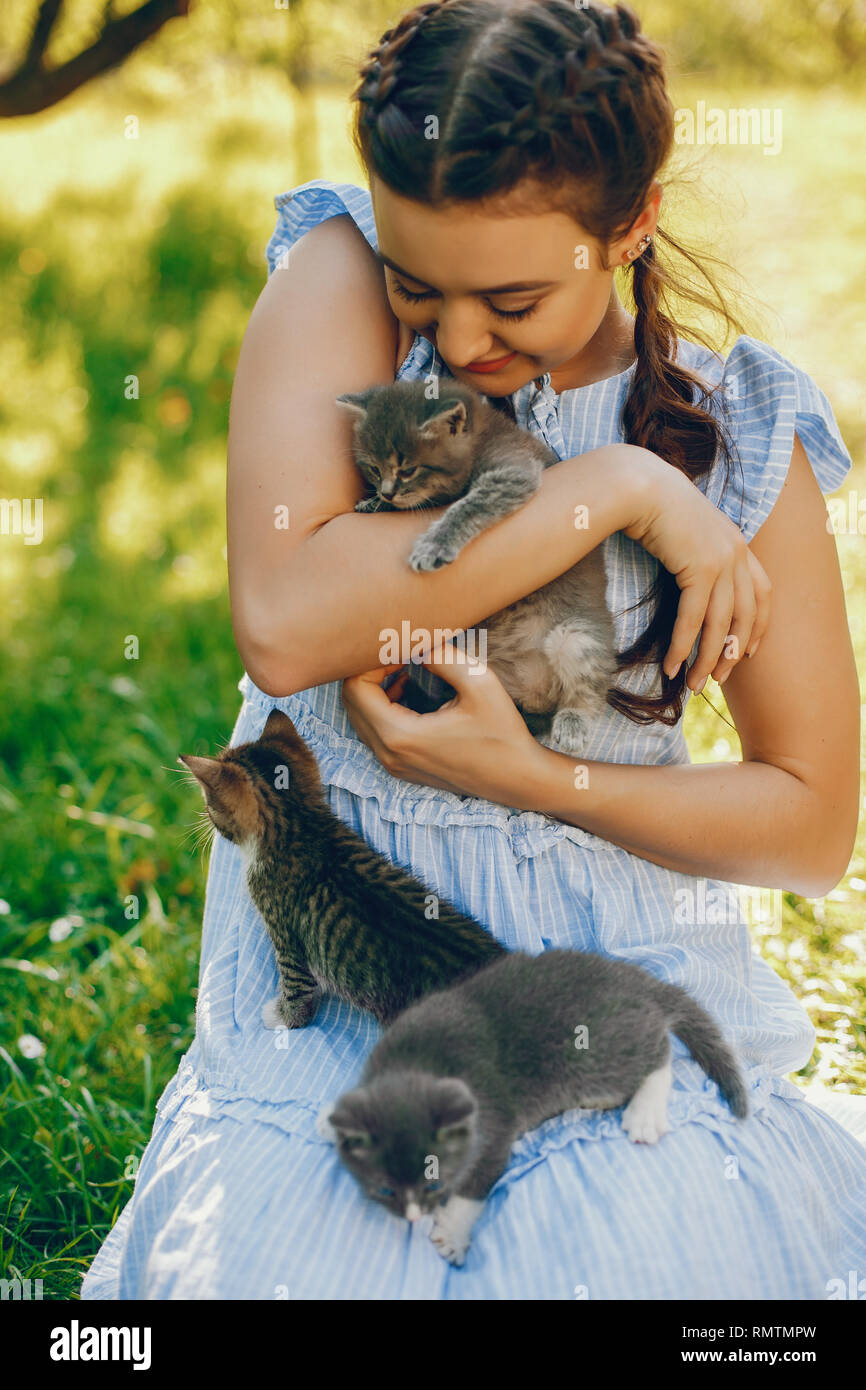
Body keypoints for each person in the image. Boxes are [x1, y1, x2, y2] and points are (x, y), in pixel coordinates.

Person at [82, 0, 866, 1299]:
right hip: (346, 1010)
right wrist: (608, 490)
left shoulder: (731, 431)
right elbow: (284, 621)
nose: (453, 342)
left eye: (511, 297)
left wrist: (533, 778)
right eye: (418, 285)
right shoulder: (334, 279)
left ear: (630, 222)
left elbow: (808, 822)